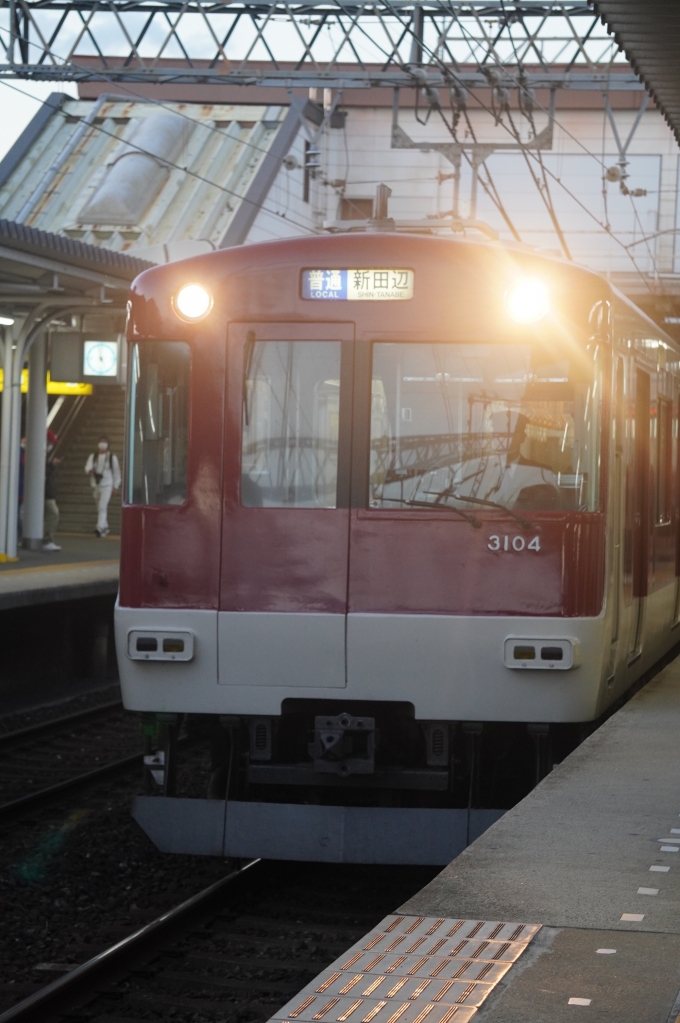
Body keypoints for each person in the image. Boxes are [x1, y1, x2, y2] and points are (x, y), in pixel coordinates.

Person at [85, 436, 121, 537]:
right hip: (96, 485)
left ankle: (99, 528)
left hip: (107, 485)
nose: (102, 443)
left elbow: (116, 473)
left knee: (102, 506)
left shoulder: (112, 457)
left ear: (108, 444)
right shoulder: (93, 456)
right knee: (100, 507)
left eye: (105, 442)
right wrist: (90, 471)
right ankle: (105, 527)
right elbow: (87, 467)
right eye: (101, 441)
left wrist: (116, 486)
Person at [43, 429, 61, 552]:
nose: (52, 445)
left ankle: (45, 539)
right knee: (53, 513)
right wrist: (51, 466)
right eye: (50, 442)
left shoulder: (43, 454)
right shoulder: (40, 453)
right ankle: (46, 539)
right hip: (46, 491)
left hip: (46, 490)